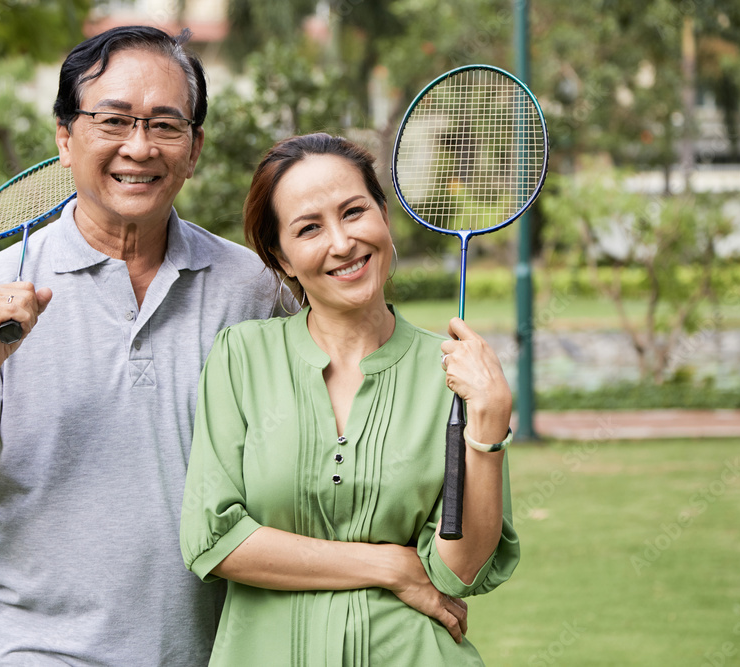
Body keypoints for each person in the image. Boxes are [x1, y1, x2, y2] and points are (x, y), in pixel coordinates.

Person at [0, 26, 285, 666]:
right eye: (114, 120)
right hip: (47, 653)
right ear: (64, 137)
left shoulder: (252, 288)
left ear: (194, 150)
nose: (139, 147)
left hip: (223, 652)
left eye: (165, 125)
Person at [180, 133, 519, 665]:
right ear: (281, 258)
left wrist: (489, 426)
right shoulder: (241, 357)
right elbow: (214, 539)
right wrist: (391, 567)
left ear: (384, 217)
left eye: (354, 211)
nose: (342, 243)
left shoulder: (451, 376)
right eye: (309, 228)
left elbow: (457, 571)